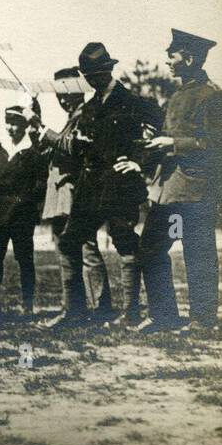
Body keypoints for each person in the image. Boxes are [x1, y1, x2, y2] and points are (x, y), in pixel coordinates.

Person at [55, 43, 152, 329]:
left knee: (124, 242)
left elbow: (158, 134)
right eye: (87, 74)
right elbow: (86, 141)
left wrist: (139, 162)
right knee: (69, 241)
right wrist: (82, 143)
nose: (91, 79)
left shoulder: (132, 102)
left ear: (108, 70)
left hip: (120, 184)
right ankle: (72, 312)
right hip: (90, 186)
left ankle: (130, 313)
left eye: (96, 73)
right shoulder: (90, 105)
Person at [137, 29, 222, 335]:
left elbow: (213, 145)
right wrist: (156, 139)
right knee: (150, 248)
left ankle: (202, 320)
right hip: (169, 190)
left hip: (196, 190)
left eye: (172, 55)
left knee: (197, 253)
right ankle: (164, 317)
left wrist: (171, 144)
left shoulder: (212, 96)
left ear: (188, 57)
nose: (168, 60)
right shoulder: (176, 95)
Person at [41, 67, 113, 329]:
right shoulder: (73, 117)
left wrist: (40, 128)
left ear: (78, 90)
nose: (61, 97)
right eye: (58, 92)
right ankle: (75, 310)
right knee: (68, 252)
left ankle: (100, 310)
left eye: (65, 91)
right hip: (63, 192)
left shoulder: (84, 116)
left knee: (85, 249)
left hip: (76, 192)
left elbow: (72, 147)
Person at [0, 102, 51, 318]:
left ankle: (27, 306)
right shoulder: (0, 149)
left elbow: (40, 183)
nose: (11, 128)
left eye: (15, 124)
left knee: (25, 259)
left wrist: (21, 200)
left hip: (22, 216)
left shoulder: (33, 151)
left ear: (25, 126)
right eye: (8, 123)